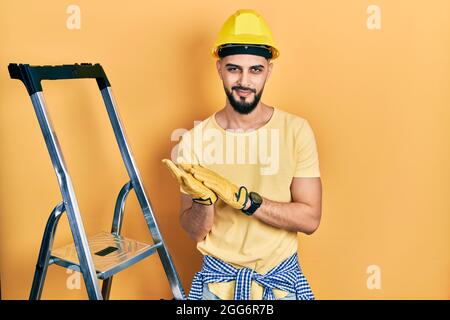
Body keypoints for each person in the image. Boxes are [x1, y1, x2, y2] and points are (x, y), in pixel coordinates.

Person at [162, 9, 322, 300]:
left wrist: (246, 201)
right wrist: (203, 201)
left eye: (255, 70)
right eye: (234, 68)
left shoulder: (296, 131)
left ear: (268, 71)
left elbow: (310, 218)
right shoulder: (194, 141)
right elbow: (194, 232)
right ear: (219, 68)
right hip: (218, 286)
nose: (244, 81)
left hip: (280, 285)